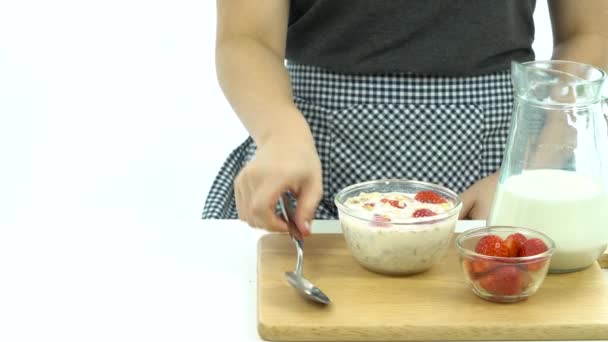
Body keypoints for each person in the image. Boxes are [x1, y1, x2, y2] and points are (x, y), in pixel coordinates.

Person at [203, 0, 608, 236]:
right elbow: (246, 37)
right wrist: (279, 134)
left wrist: (527, 170)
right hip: (309, 170)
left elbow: (591, 32)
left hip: (499, 172)